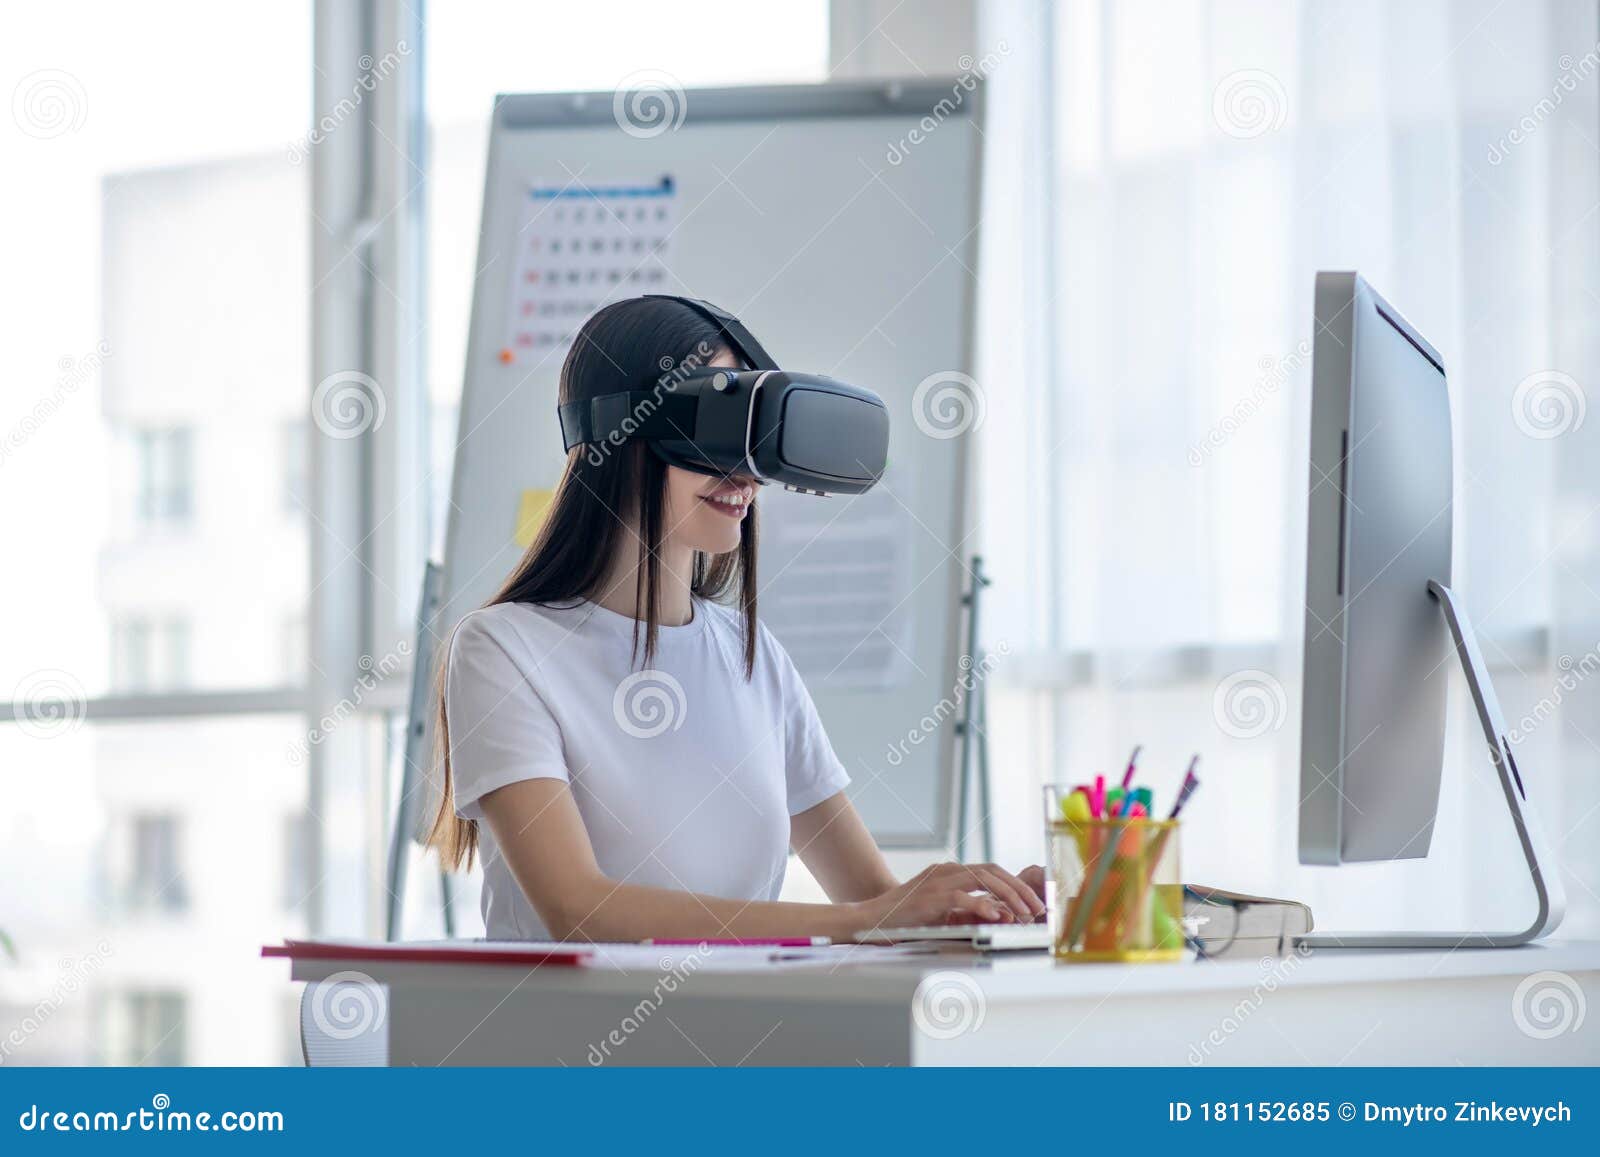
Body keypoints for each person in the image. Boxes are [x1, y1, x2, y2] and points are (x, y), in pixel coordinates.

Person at [428, 295, 1044, 941]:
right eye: (710, 427)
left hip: (738, 1032)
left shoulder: (753, 656)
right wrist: (861, 919)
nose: (741, 472)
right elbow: (577, 908)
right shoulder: (503, 649)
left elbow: (876, 904)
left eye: (751, 438)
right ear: (620, 432)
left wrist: (985, 909)